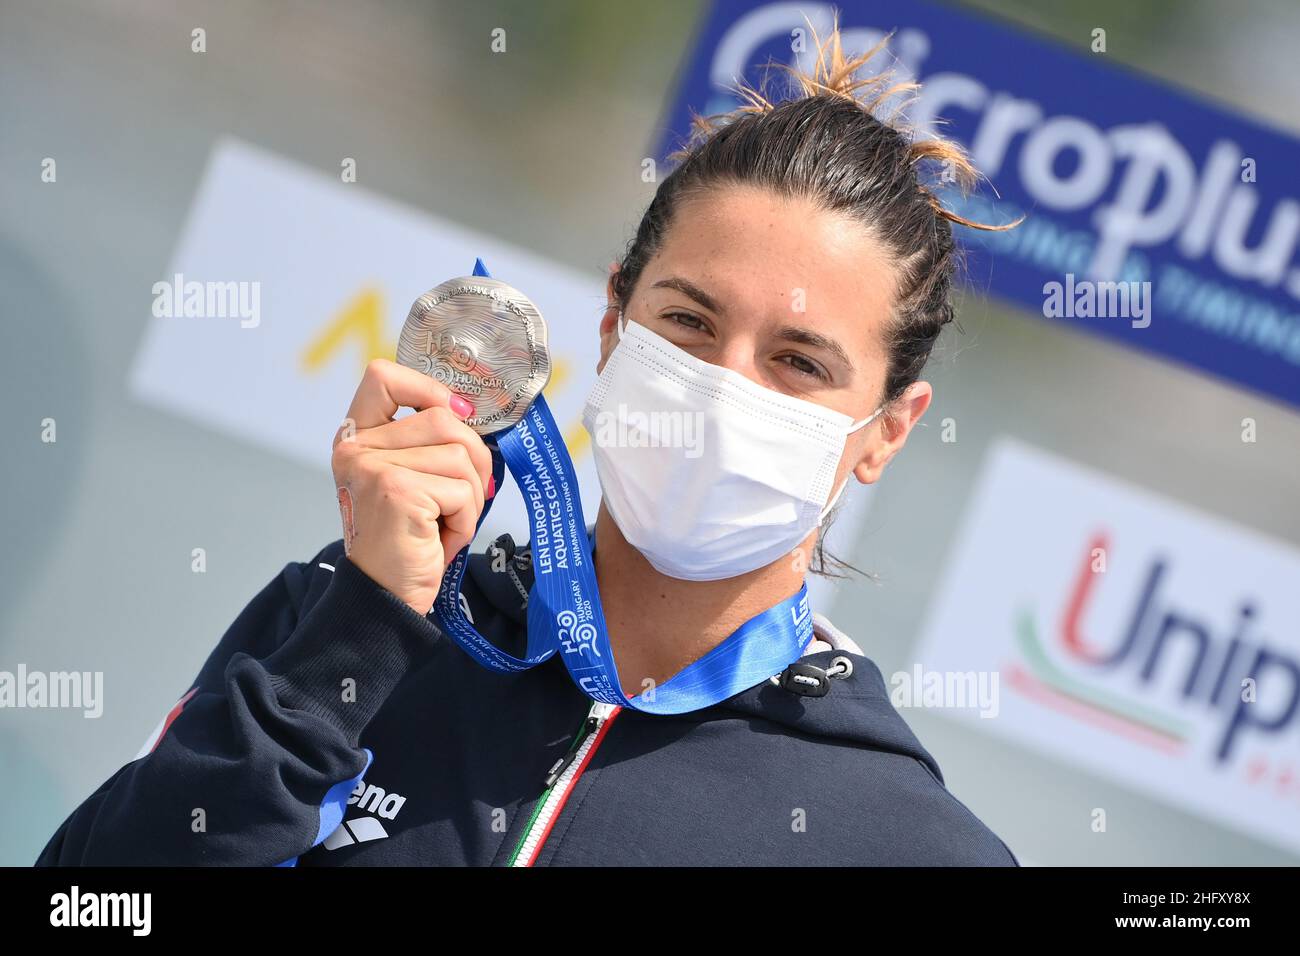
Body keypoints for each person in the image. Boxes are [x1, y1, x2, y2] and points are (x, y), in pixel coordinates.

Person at [38, 22, 1018, 867]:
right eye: (688, 321)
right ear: (613, 324)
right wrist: (359, 634)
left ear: (888, 430)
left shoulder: (909, 843)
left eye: (798, 361)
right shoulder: (342, 623)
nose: (725, 390)